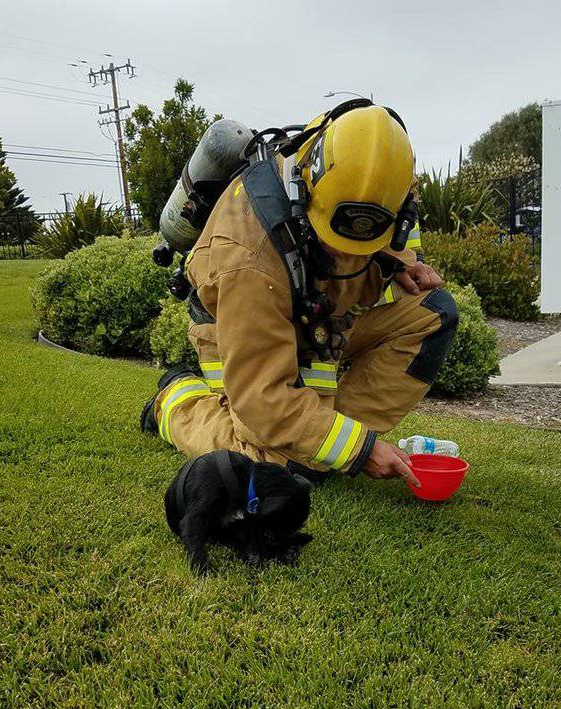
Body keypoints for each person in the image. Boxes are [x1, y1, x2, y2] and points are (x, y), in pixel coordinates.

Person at [141, 103, 458, 487]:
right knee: (275, 462)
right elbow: (264, 400)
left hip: (316, 303)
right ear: (306, 192)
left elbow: (401, 230)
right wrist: (361, 451)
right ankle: (177, 403)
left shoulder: (375, 170)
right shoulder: (247, 257)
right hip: (241, 318)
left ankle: (320, 446)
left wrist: (401, 259)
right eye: (334, 241)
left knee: (432, 314)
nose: (347, 255)